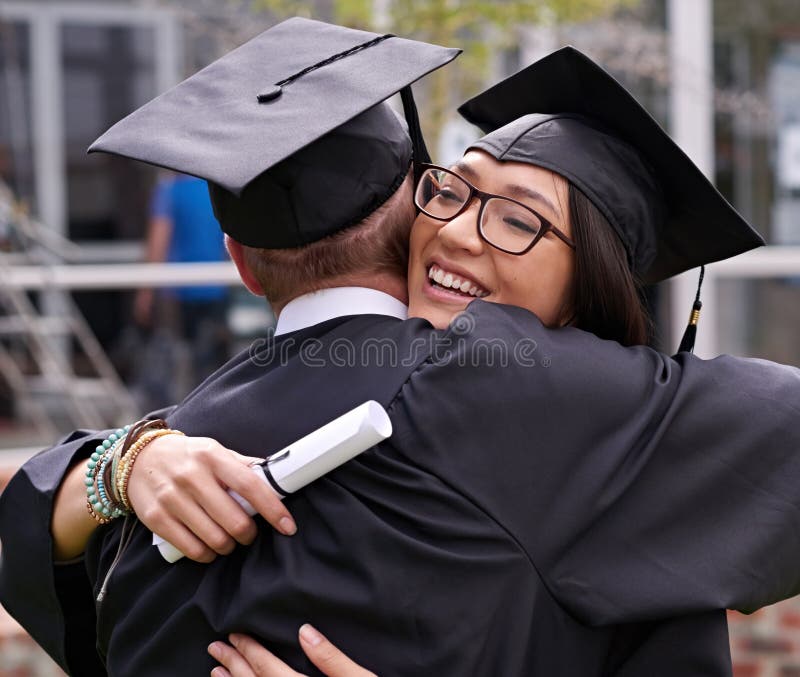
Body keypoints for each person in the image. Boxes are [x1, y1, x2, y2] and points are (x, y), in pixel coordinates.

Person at [1, 37, 799, 677]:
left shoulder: (178, 446)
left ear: (240, 261)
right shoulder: (582, 427)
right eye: (455, 190)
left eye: (518, 220)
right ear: (410, 200)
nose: (456, 230)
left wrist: (115, 464)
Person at [133, 171, 231, 408]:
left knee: (177, 365)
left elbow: (159, 240)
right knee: (212, 367)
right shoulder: (214, 189)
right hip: (217, 288)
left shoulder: (168, 191)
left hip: (177, 292)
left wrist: (145, 292)